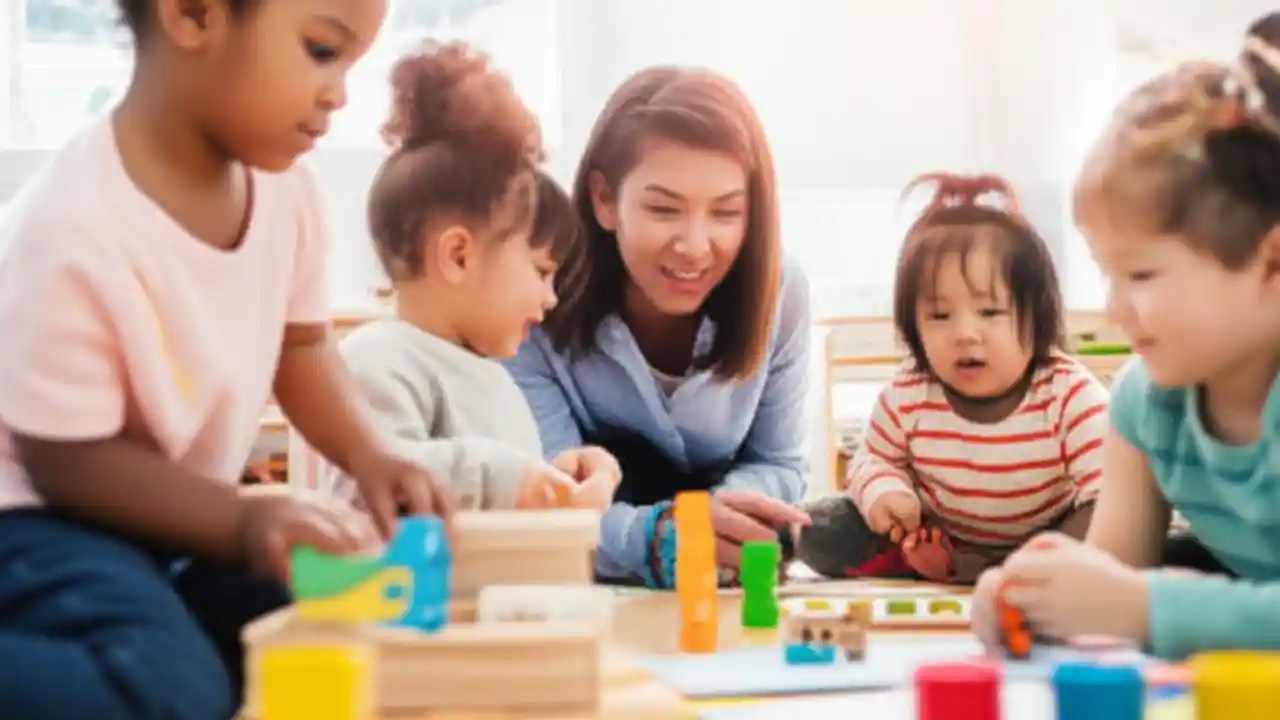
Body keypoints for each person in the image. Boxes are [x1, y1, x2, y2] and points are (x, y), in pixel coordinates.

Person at [0, 2, 451, 718]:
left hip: (160, 522)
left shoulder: (286, 189)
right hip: (38, 517)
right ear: (193, 13)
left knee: (315, 631)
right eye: (321, 50)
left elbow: (301, 350)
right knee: (165, 689)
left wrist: (373, 455)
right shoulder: (70, 228)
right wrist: (243, 521)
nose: (339, 94)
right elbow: (68, 464)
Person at [972, 13, 1280, 660]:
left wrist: (1140, 606)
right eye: (1106, 274)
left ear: (1271, 264)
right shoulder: (1145, 402)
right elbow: (1108, 582)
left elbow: (1132, 602)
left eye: (1139, 274)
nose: (1115, 309)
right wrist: (1036, 598)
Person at [505, 66, 811, 588]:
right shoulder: (533, 306)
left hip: (724, 587)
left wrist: (720, 518)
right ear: (605, 201)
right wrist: (668, 534)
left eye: (725, 213)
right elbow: (548, 504)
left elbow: (780, 464)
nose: (695, 245)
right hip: (592, 591)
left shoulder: (780, 292)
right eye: (664, 209)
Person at [326, 42, 618, 513]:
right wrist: (507, 478)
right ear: (458, 256)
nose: (549, 298)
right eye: (542, 271)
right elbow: (370, 481)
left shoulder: (495, 380)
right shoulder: (379, 357)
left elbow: (491, 497)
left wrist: (555, 479)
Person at [795, 175, 1109, 584]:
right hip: (939, 536)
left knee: (1132, 528)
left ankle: (1015, 574)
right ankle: (928, 562)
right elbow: (870, 460)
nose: (964, 333)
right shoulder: (907, 396)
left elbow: (1107, 491)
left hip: (1051, 543)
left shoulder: (1069, 393)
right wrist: (886, 493)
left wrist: (1046, 558)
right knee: (817, 526)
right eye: (939, 316)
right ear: (914, 327)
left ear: (1039, 318)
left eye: (990, 312)